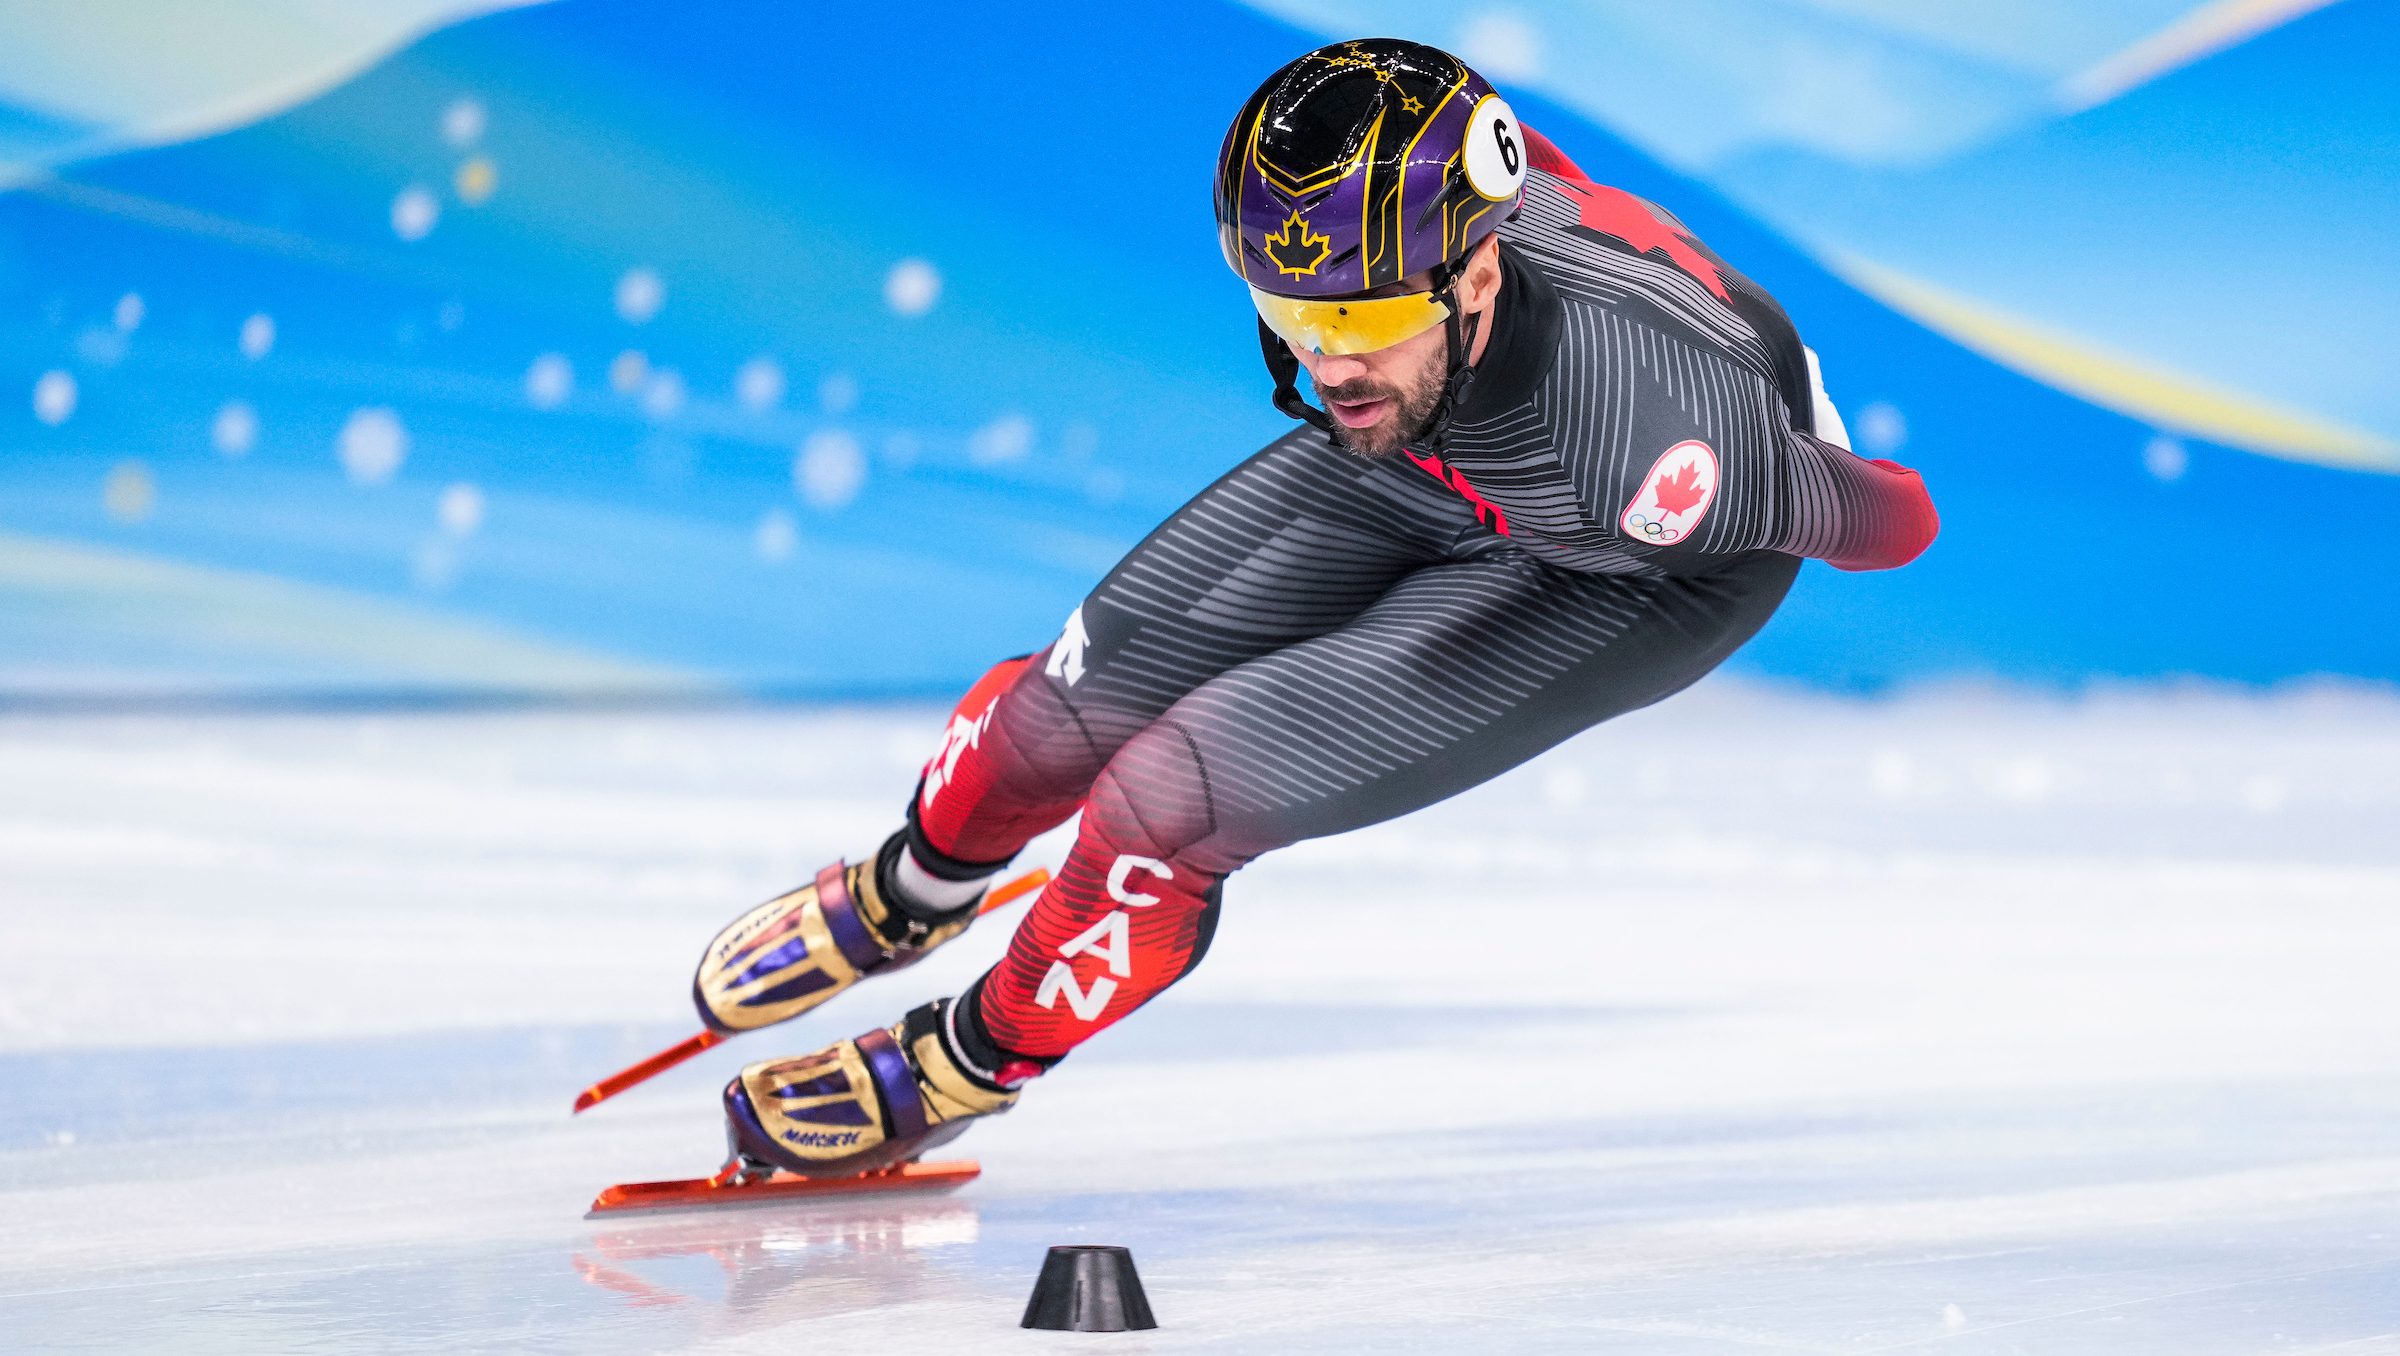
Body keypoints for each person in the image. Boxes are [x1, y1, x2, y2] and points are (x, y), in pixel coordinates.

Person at [694, 37, 1938, 1179]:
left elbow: (1893, 523)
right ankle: (908, 890)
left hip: (1627, 565)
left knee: (1162, 804)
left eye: (1371, 316)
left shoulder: (1658, 449)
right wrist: (1392, 338)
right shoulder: (1410, 326)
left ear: (1479, 271)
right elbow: (1525, 170)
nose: (1334, 362)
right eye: (1300, 315)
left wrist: (1799, 460)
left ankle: (970, 1062)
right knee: (1050, 724)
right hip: (1435, 457)